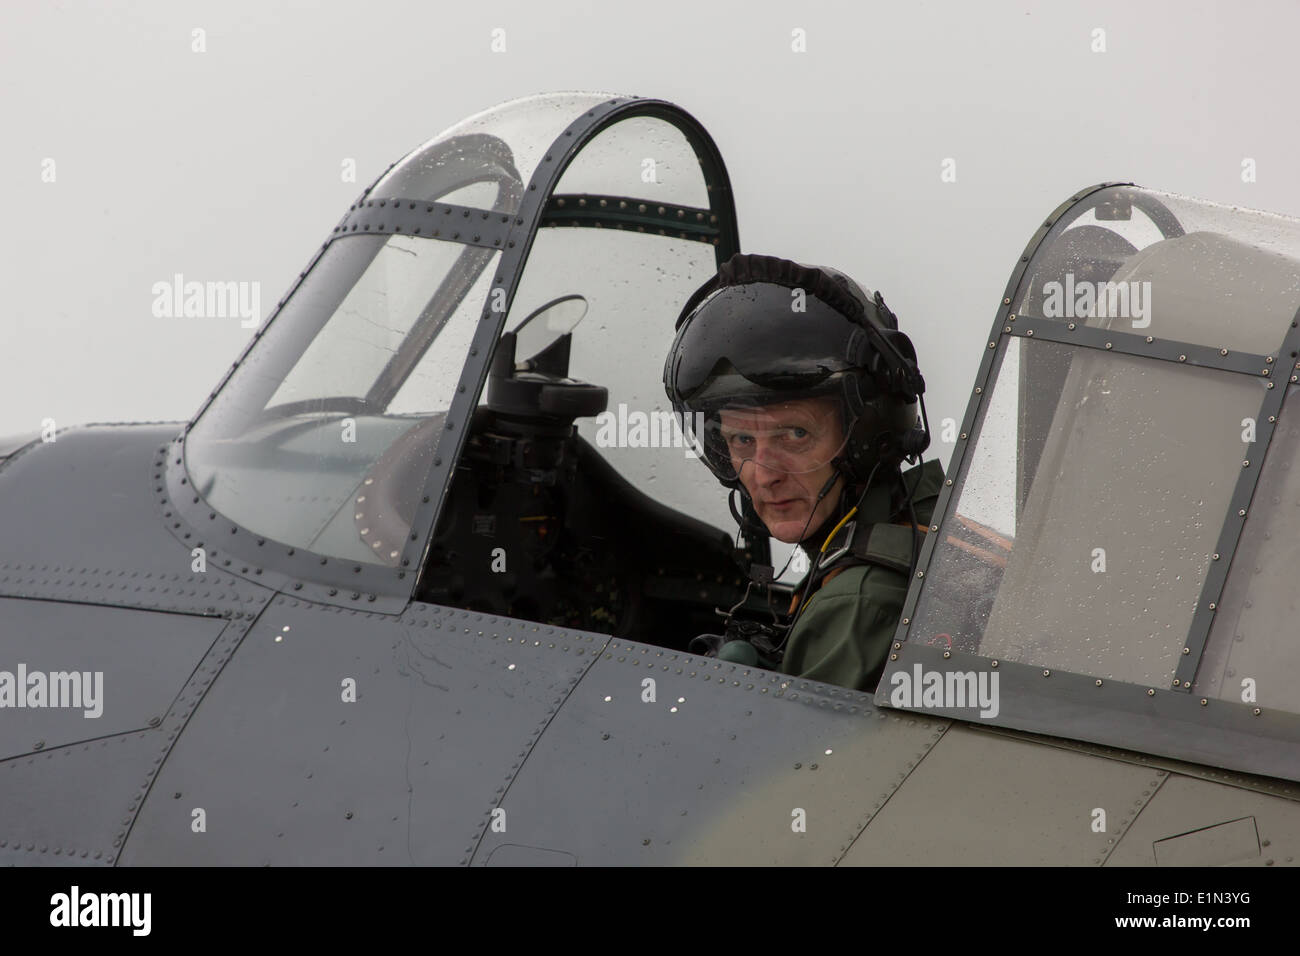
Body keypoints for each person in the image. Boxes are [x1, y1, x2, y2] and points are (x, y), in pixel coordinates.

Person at [663, 253, 944, 692]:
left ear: (868, 434)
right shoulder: (931, 517)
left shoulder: (860, 601)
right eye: (741, 441)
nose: (763, 475)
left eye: (795, 434)